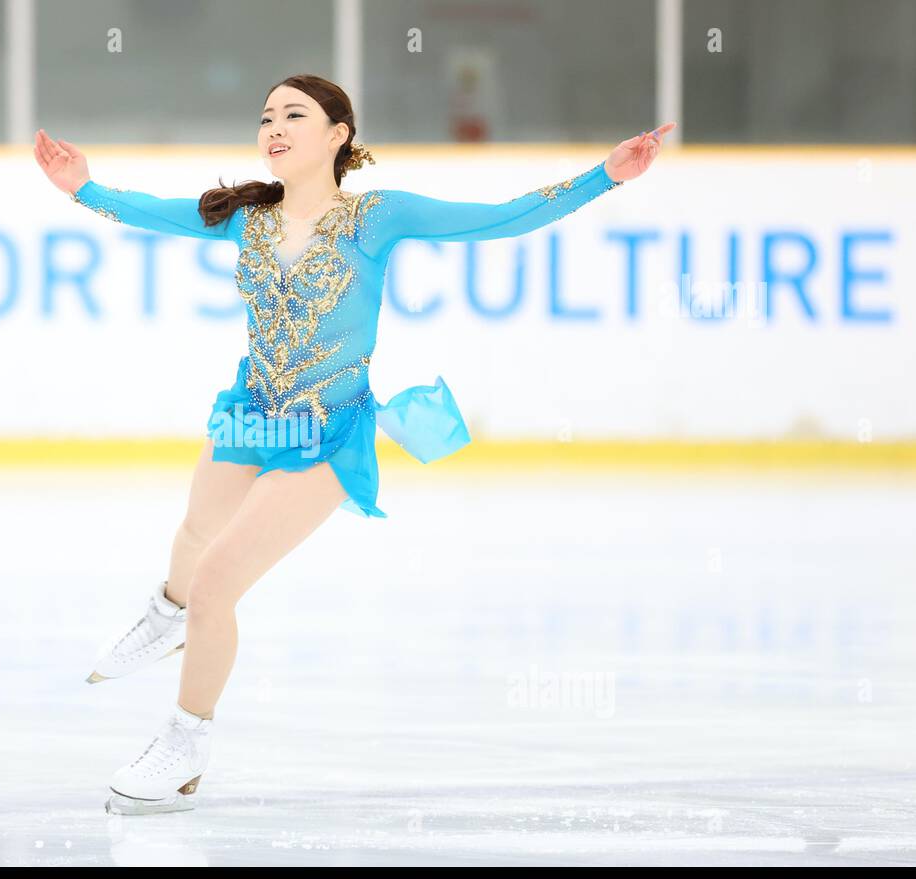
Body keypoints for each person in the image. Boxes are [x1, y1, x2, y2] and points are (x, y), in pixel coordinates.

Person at [33, 74, 674, 814]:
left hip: (327, 436)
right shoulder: (251, 219)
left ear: (339, 133)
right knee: (193, 534)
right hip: (253, 411)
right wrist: (82, 189)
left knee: (217, 583)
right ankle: (165, 613)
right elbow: (157, 214)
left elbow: (499, 220)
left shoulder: (378, 217)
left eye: (294, 115)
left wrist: (606, 176)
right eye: (266, 116)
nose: (273, 127)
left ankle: (185, 741)